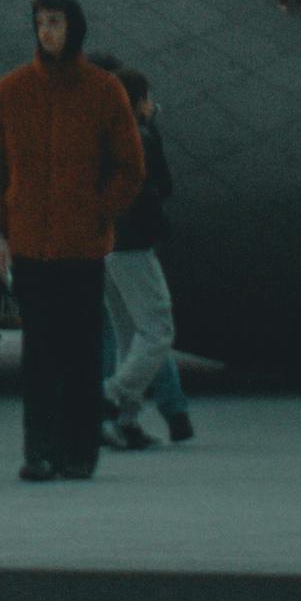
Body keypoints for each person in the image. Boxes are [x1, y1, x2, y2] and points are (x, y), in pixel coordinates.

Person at [0, 0, 144, 485]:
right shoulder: (12, 91)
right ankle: (39, 451)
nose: (47, 31)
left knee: (80, 351)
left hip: (81, 246)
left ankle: (79, 451)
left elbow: (130, 166)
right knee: (40, 353)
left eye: (56, 21)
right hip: (30, 244)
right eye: (40, 22)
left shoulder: (102, 91)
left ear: (75, 27)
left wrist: (97, 209)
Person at [102, 65, 191, 449]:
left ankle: (126, 423)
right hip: (134, 243)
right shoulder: (140, 136)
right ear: (137, 104)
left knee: (127, 336)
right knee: (158, 328)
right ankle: (113, 395)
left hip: (107, 245)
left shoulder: (101, 134)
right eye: (148, 99)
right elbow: (165, 184)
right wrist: (151, 128)